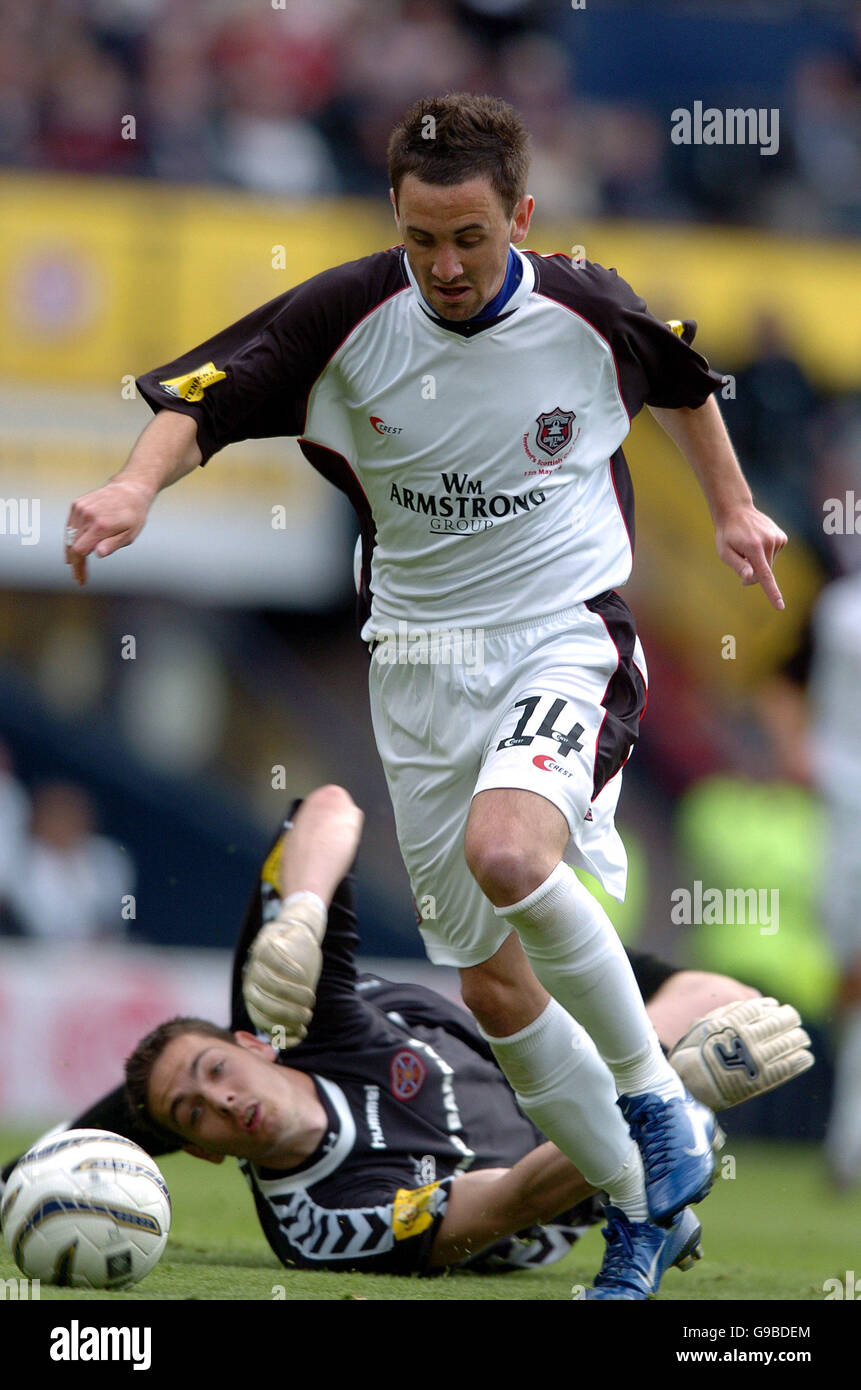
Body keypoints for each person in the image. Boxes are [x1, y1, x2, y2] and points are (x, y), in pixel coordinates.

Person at [63, 94, 788, 1296]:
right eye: (421, 240)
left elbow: (682, 376)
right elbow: (204, 396)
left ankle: (656, 1110)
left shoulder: (584, 300)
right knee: (496, 985)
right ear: (392, 220)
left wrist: (729, 506)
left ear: (522, 217)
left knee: (511, 851)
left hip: (565, 630)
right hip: (417, 662)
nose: (446, 266)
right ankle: (639, 1214)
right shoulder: (345, 314)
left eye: (470, 238)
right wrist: (136, 490)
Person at [1, 785, 813, 1282]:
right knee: (669, 1075)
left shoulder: (286, 1017)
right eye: (196, 1117)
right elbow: (515, 1197)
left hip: (532, 1042)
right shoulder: (320, 1224)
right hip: (562, 1180)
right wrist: (666, 1093)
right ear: (206, 1154)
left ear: (248, 1045)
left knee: (716, 994)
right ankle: (656, 1165)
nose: (219, 1100)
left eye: (216, 1070)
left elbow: (324, 809)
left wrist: (305, 913)